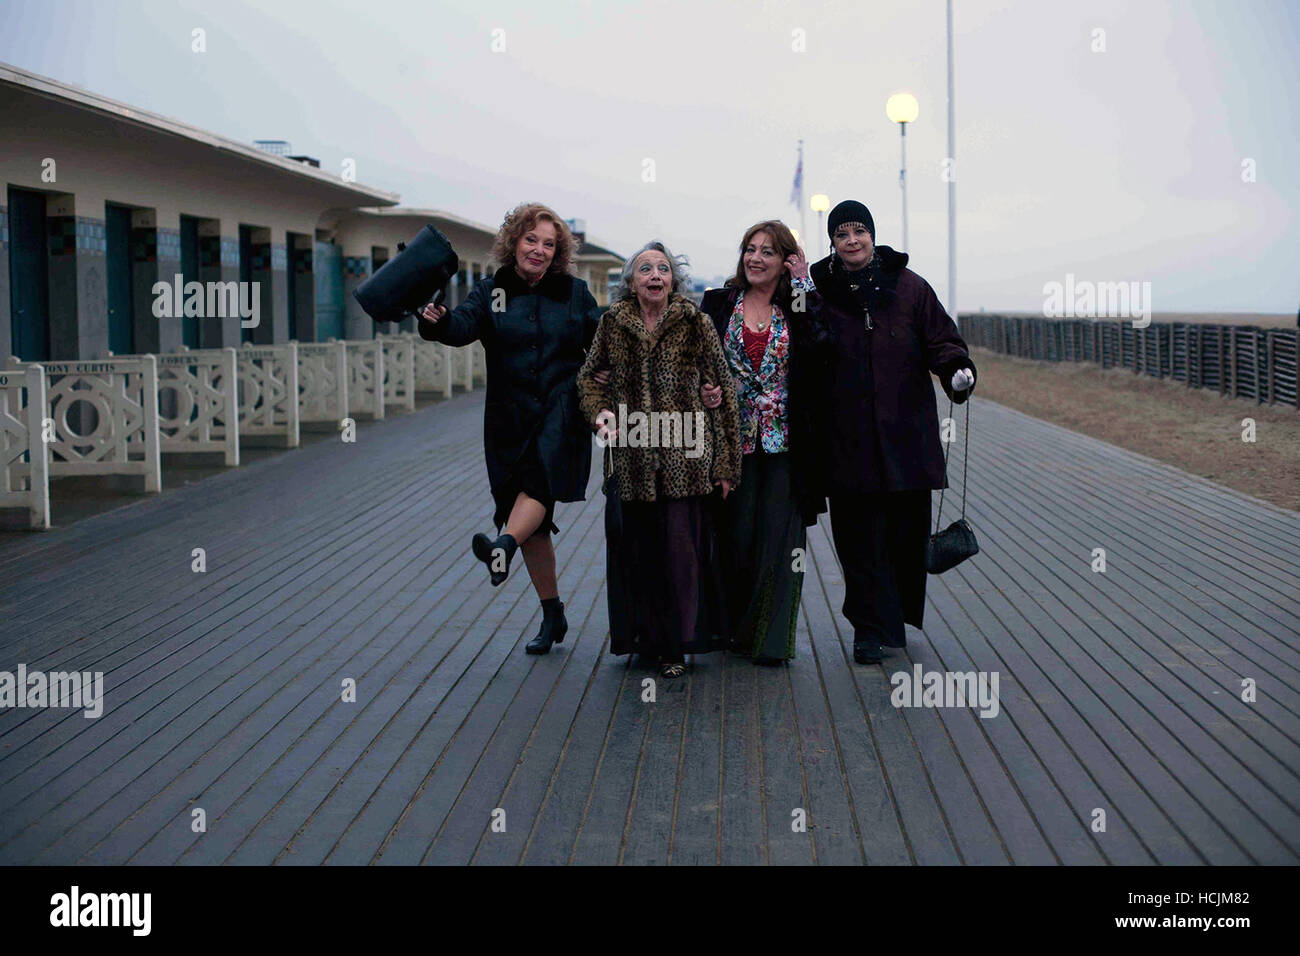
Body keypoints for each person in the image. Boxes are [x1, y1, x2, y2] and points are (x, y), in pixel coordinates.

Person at [419, 202, 603, 655]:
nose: (538, 250)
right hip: (508, 419)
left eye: (548, 243)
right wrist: (437, 322)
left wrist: (605, 371)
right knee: (532, 525)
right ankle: (552, 613)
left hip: (563, 412)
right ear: (514, 242)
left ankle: (500, 545)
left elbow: (602, 341)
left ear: (557, 252)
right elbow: (460, 328)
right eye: (530, 240)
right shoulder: (491, 291)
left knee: (539, 485)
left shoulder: (575, 293)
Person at [808, 200, 976, 664]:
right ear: (833, 243)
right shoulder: (818, 289)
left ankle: (895, 617)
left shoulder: (909, 287)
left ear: (873, 236)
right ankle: (868, 628)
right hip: (847, 440)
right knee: (858, 539)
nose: (853, 240)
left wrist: (958, 370)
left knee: (904, 535)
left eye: (860, 231)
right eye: (842, 234)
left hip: (906, 437)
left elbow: (943, 340)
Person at [576, 242, 742, 678]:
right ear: (630, 282)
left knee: (680, 557)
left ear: (674, 280)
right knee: (638, 554)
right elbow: (588, 380)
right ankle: (643, 641)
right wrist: (601, 414)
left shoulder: (696, 323)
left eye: (663, 269)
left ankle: (675, 646)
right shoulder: (611, 324)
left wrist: (725, 466)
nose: (654, 275)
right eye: (645, 269)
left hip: (685, 461)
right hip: (630, 463)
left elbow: (722, 392)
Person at [697, 220, 830, 664]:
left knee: (782, 541)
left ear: (785, 262)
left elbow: (823, 346)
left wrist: (805, 284)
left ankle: (770, 642)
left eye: (768, 252)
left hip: (786, 446)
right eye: (750, 249)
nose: (756, 258)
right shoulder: (718, 303)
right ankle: (732, 630)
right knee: (735, 538)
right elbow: (694, 361)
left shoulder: (796, 304)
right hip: (729, 444)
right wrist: (704, 387)